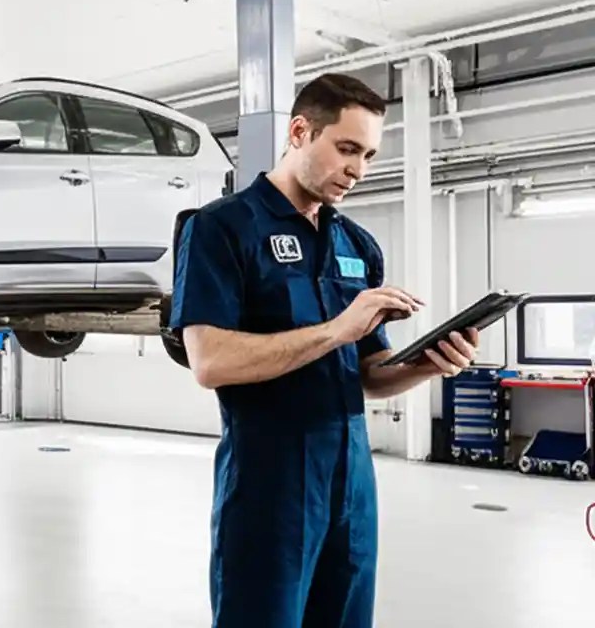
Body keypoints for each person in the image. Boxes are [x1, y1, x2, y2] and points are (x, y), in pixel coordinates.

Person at [168, 73, 480, 628]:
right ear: (299, 131)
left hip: (352, 480)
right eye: (347, 148)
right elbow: (210, 362)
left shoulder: (356, 244)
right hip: (269, 481)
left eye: (368, 154)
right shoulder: (222, 229)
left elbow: (367, 371)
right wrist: (338, 328)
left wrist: (424, 366)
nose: (358, 169)